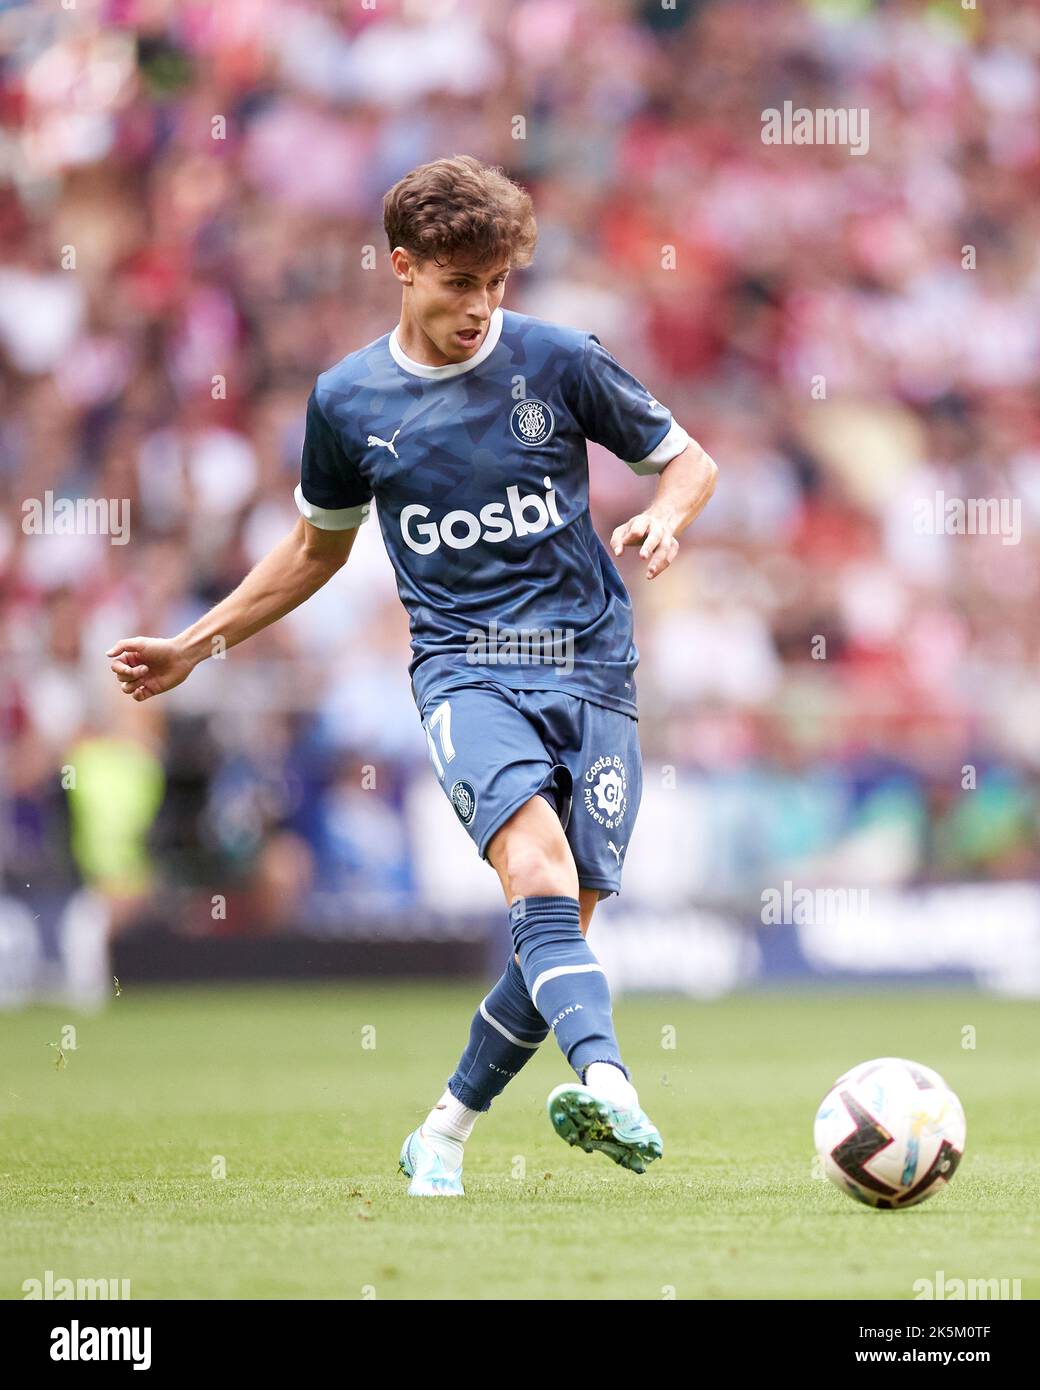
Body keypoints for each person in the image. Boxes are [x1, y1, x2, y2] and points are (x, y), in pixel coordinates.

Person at [108, 154, 718, 1196]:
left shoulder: (558, 360)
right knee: (533, 873)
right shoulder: (348, 402)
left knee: (557, 929)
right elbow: (313, 551)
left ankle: (442, 1130)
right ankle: (610, 1083)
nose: (480, 305)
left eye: (495, 282)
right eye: (457, 282)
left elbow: (687, 459)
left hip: (593, 668)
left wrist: (665, 513)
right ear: (403, 264)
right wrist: (192, 643)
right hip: (465, 671)